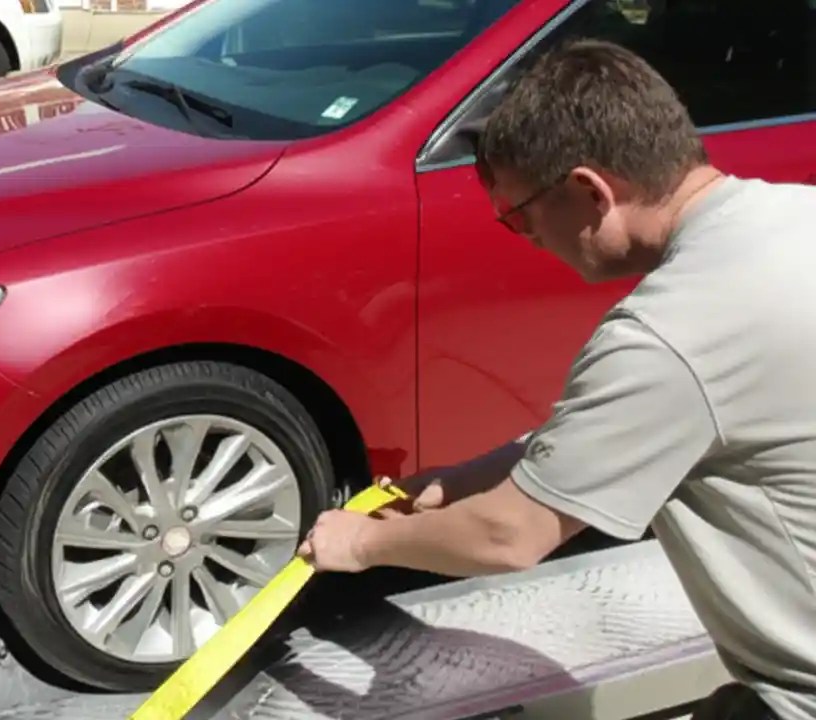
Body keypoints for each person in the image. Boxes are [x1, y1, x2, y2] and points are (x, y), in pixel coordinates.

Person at [297, 38, 816, 720]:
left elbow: (510, 537)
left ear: (589, 190)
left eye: (519, 217)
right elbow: (640, 422)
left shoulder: (669, 333)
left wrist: (360, 543)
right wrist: (465, 477)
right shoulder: (790, 220)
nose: (526, 238)